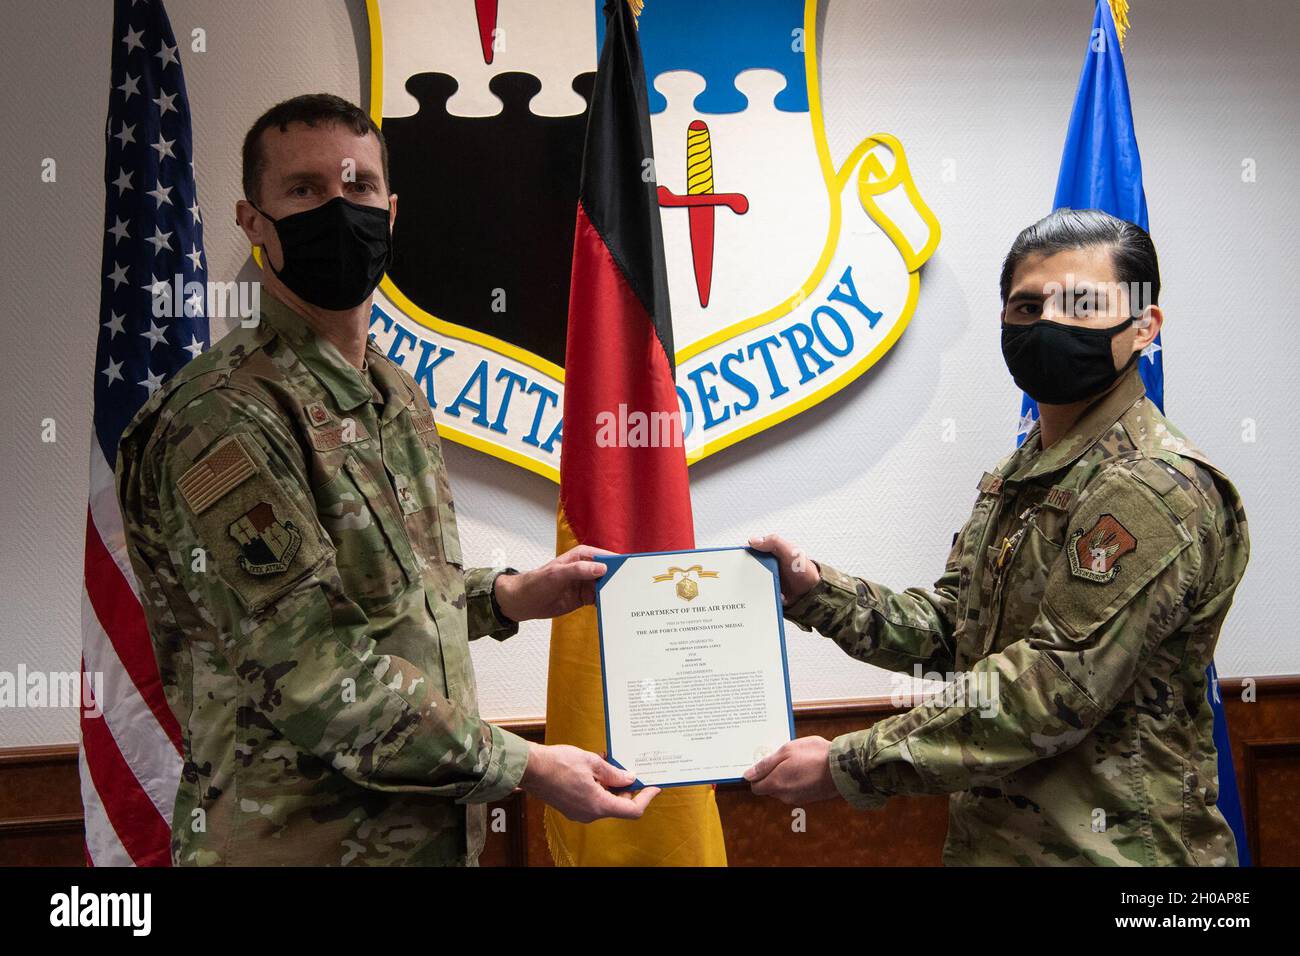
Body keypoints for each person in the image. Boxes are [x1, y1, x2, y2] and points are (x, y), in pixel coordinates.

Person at [116, 93, 658, 866]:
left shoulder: (393, 396)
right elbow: (314, 670)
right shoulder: (224, 418)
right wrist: (528, 765)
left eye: (358, 187)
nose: (338, 211)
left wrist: (508, 597)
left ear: (391, 210)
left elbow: (392, 602)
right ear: (251, 220)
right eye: (304, 190)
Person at [745, 208, 1249, 866]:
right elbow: (957, 637)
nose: (1048, 324)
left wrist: (847, 764)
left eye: (1082, 303)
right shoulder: (1024, 473)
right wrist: (815, 591)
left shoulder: (1151, 485)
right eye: (1027, 305)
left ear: (1144, 326)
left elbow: (1048, 689)